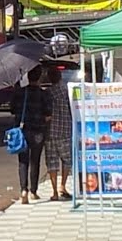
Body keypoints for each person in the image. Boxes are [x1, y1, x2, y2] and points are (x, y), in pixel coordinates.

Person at [9, 65, 52, 204]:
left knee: (23, 161)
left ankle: (23, 190)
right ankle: (33, 191)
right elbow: (48, 114)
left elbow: (12, 109)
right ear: (39, 77)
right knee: (35, 161)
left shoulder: (19, 93)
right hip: (38, 131)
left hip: (22, 131)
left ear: (27, 77)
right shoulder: (43, 94)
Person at [45, 67, 72, 201]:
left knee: (52, 162)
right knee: (67, 160)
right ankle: (63, 186)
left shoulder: (47, 93)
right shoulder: (67, 91)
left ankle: (54, 191)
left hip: (50, 132)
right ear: (60, 77)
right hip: (65, 131)